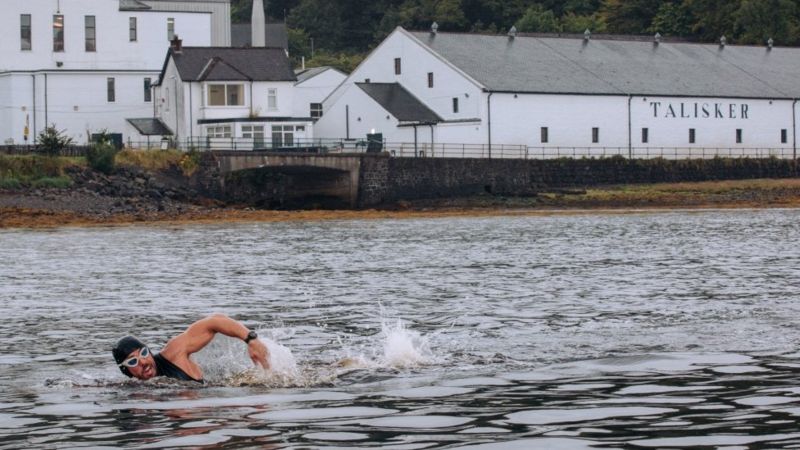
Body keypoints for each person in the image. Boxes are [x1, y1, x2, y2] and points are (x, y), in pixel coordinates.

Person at [112, 313, 270, 383]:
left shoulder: (174, 353)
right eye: (133, 362)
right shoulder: (134, 392)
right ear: (125, 371)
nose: (144, 362)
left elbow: (213, 321)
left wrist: (251, 340)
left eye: (144, 353)